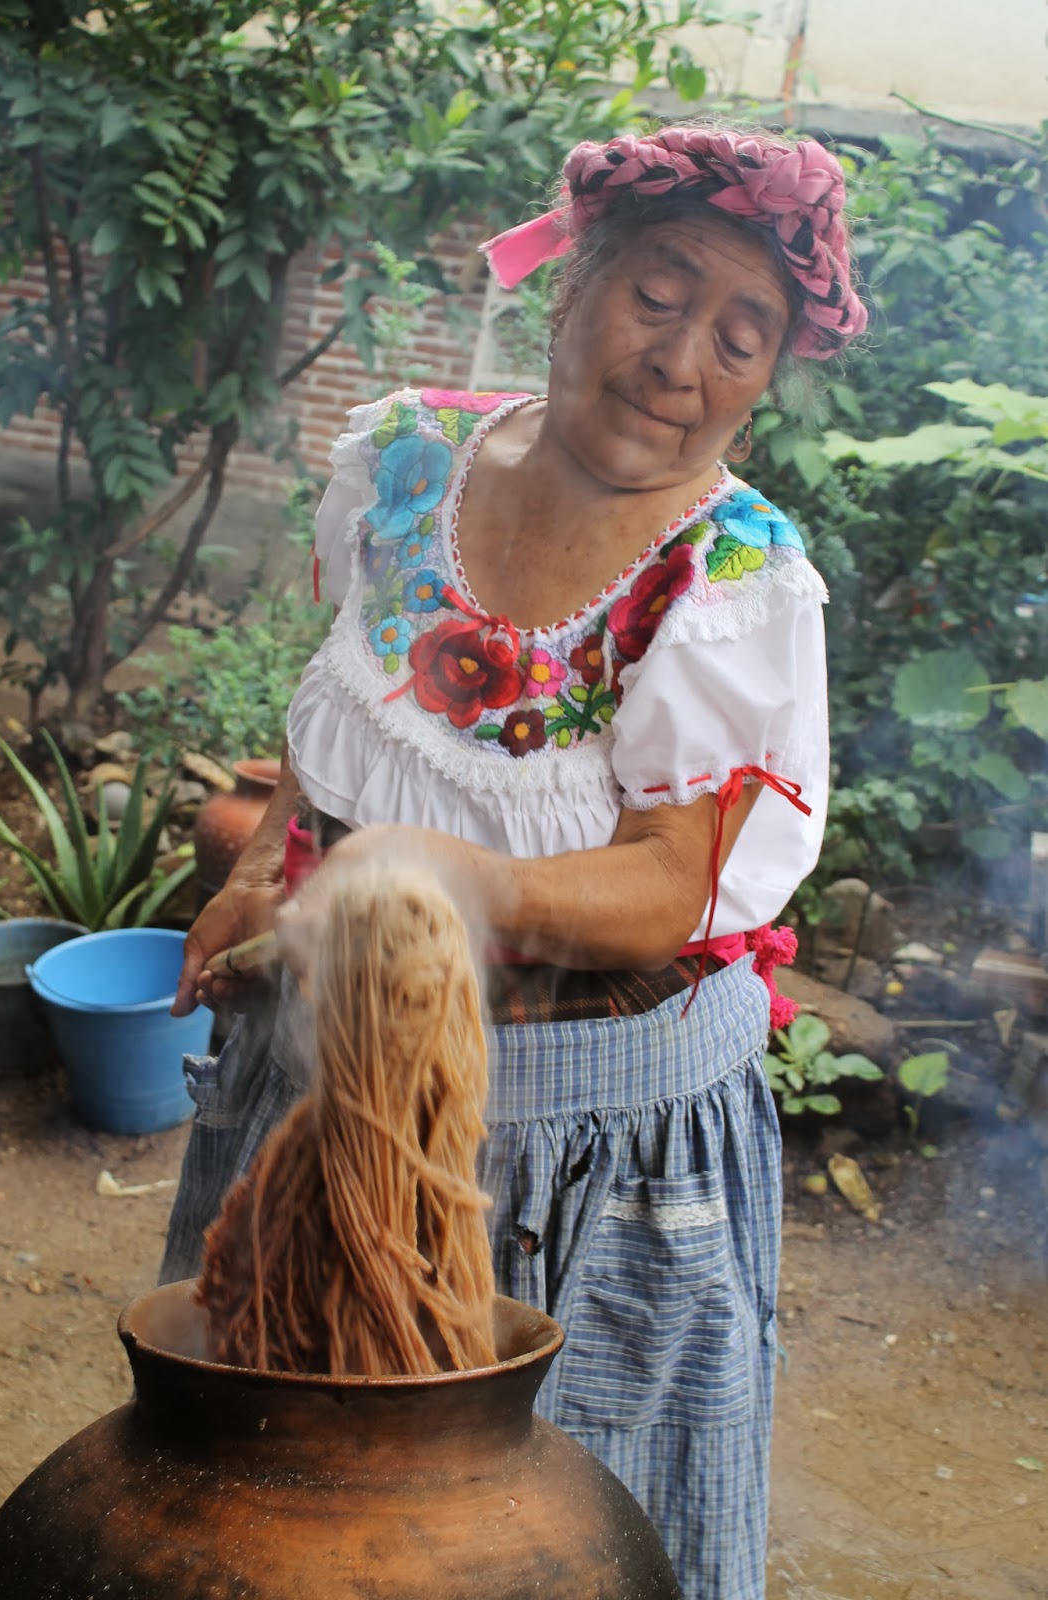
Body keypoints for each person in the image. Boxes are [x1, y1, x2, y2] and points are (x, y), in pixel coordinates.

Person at [162, 122, 866, 1599]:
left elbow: (672, 878)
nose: (684, 361)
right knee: (286, 1483)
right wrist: (273, 862)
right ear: (568, 281)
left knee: (561, 1534)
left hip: (582, 1137)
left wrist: (453, 887)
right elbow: (352, 681)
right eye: (658, 297)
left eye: (741, 338)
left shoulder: (732, 581)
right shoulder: (408, 454)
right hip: (324, 1057)